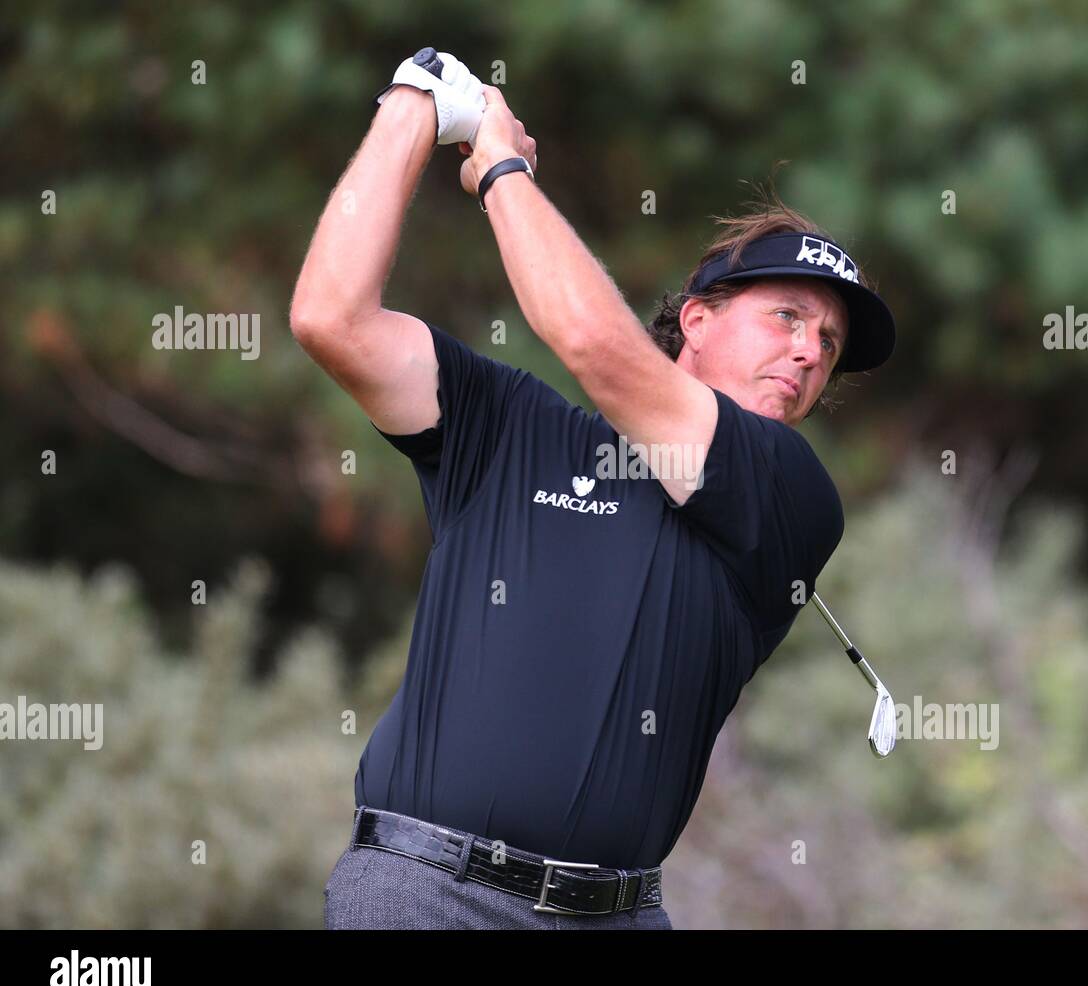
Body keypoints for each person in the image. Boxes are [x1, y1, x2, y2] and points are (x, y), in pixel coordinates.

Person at [290, 48, 896, 930]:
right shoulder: (510, 425)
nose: (809, 351)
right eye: (786, 316)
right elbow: (329, 318)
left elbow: (591, 342)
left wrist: (500, 166)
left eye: (829, 342)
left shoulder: (787, 490)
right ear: (697, 318)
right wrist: (416, 102)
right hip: (421, 898)